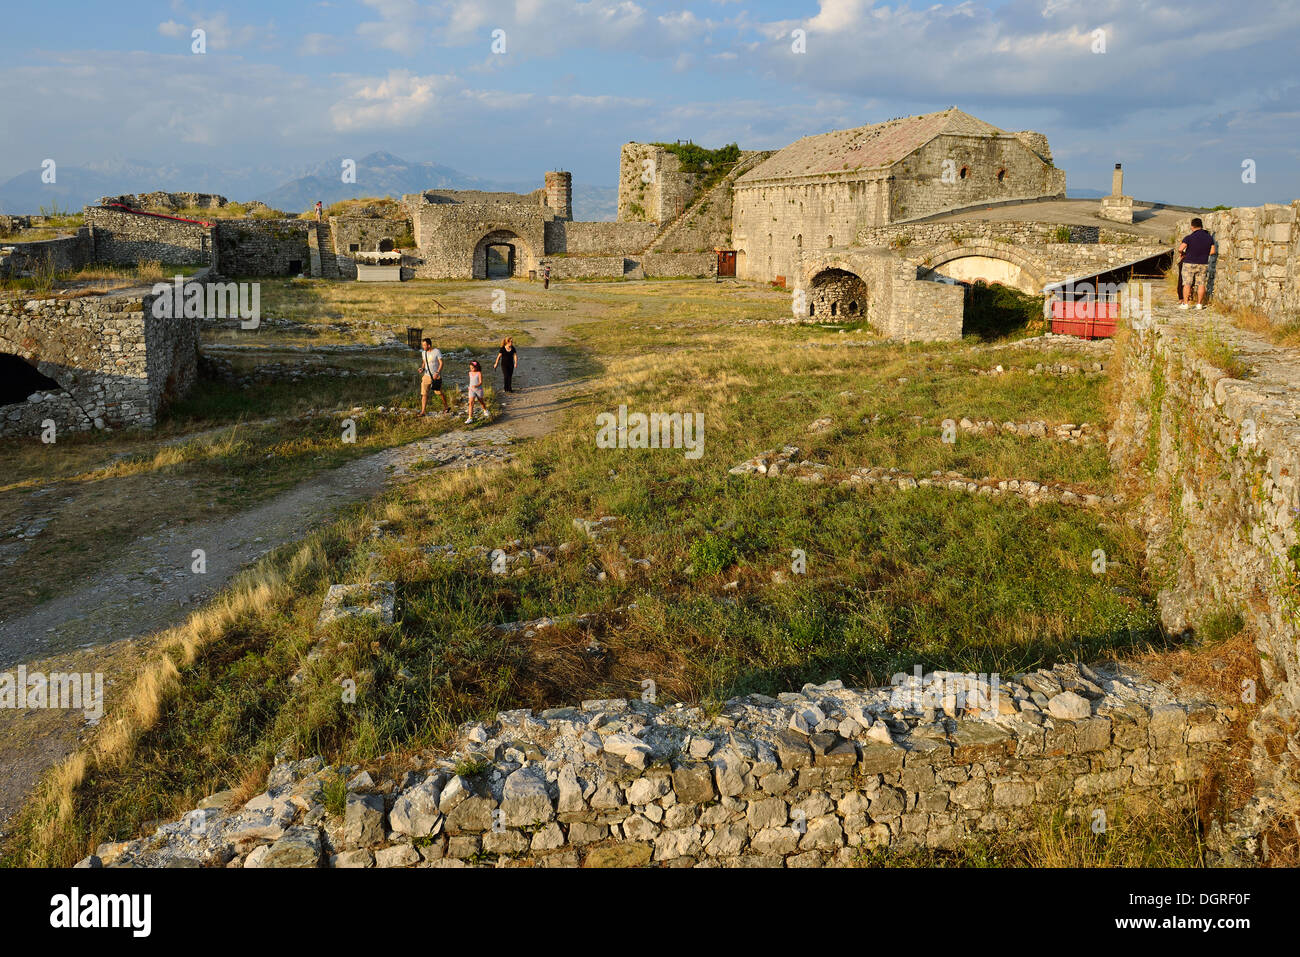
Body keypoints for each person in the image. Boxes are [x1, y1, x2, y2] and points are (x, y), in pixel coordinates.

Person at [1178, 217, 1216, 311]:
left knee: (1187, 283)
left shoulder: (1189, 237)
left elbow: (1180, 248)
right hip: (1203, 263)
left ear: (1192, 226)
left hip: (1189, 263)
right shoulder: (1209, 238)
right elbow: (1212, 251)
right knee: (1201, 283)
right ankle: (1199, 304)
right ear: (1201, 226)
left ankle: (1186, 304)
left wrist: (1184, 253)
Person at [418, 337, 449, 416]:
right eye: (422, 345)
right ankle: (423, 411)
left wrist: (437, 372)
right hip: (426, 376)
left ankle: (446, 407)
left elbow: (441, 363)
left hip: (436, 376)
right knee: (424, 393)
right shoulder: (423, 353)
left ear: (429, 345)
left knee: (439, 393)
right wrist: (422, 368)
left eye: (424, 345)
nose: (423, 347)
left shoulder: (436, 351)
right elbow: (424, 363)